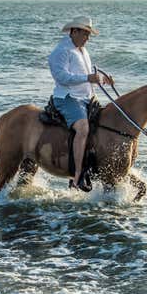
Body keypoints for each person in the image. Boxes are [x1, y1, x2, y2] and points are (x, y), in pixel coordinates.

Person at [48, 16, 113, 190]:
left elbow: (89, 75)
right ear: (74, 31)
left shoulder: (82, 50)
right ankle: (77, 175)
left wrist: (103, 79)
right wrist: (87, 78)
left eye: (88, 34)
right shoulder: (61, 51)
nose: (88, 38)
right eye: (85, 33)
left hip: (88, 97)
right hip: (68, 97)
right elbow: (61, 77)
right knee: (83, 128)